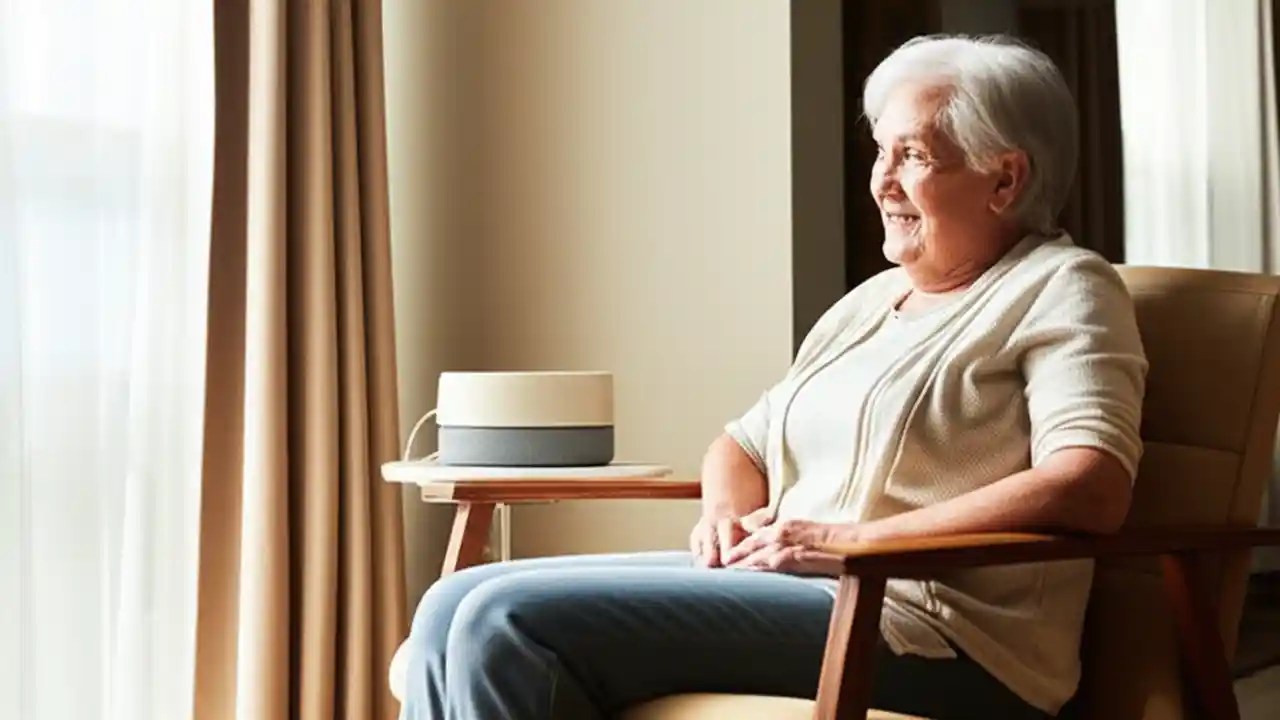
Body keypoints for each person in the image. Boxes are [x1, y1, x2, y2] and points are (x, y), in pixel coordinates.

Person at [396, 34, 1147, 720]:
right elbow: (743, 443)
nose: (883, 182)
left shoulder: (1062, 286)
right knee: (452, 603)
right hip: (794, 584)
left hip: (934, 630)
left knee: (504, 621)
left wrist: (855, 540)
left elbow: (1091, 481)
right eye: (880, 153)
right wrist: (725, 519)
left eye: (913, 156)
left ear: (1005, 178)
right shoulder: (872, 303)